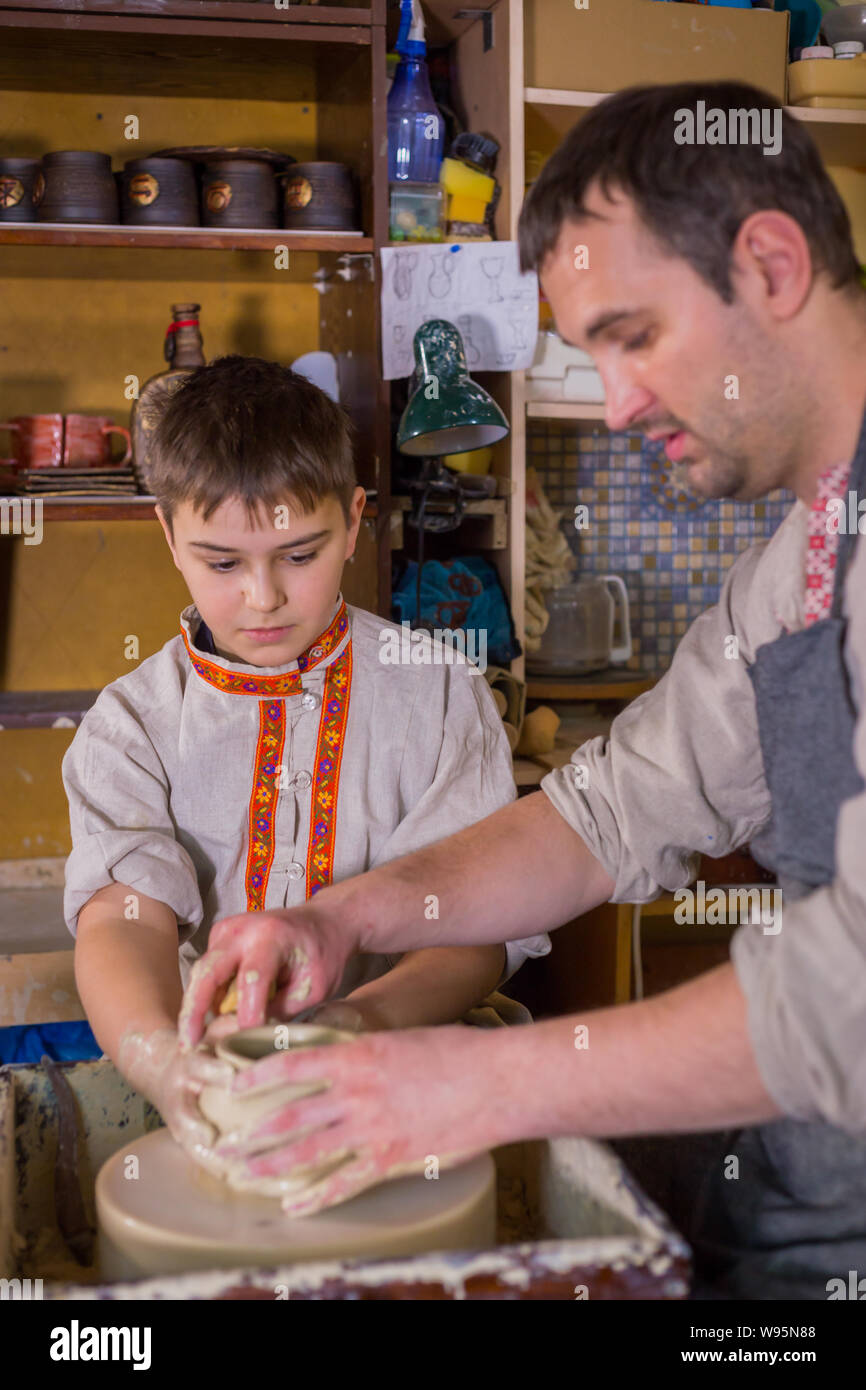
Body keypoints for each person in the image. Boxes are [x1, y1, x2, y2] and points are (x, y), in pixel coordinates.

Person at [179, 81, 866, 1300]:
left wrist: (463, 1082)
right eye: (588, 352)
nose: (612, 402)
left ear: (768, 264)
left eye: (630, 334)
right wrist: (354, 916)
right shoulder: (803, 558)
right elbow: (611, 811)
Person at [61, 354, 550, 1175]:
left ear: (356, 521)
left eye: (299, 554)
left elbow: (475, 933)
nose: (263, 597)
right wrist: (159, 1061)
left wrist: (358, 1027)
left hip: (421, 1079)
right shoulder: (132, 725)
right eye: (222, 562)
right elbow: (121, 918)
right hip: (221, 1088)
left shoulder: (438, 696)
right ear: (169, 535)